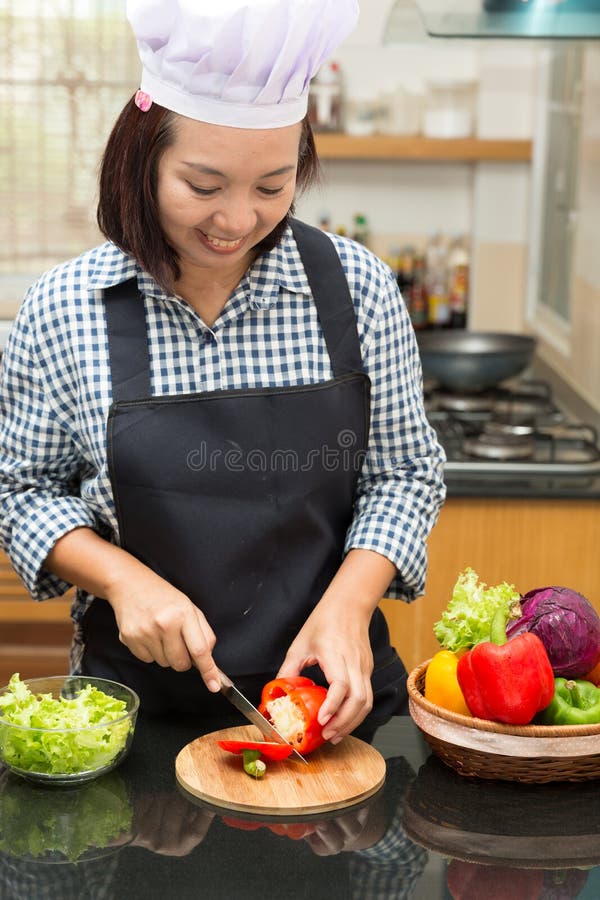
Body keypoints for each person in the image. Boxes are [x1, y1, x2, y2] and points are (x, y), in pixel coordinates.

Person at [0, 0, 445, 742]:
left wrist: (347, 607)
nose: (236, 219)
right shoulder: (64, 309)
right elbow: (21, 491)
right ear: (141, 158)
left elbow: (406, 474)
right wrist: (121, 579)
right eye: (203, 186)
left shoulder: (356, 290)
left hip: (337, 704)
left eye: (272, 187)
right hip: (137, 715)